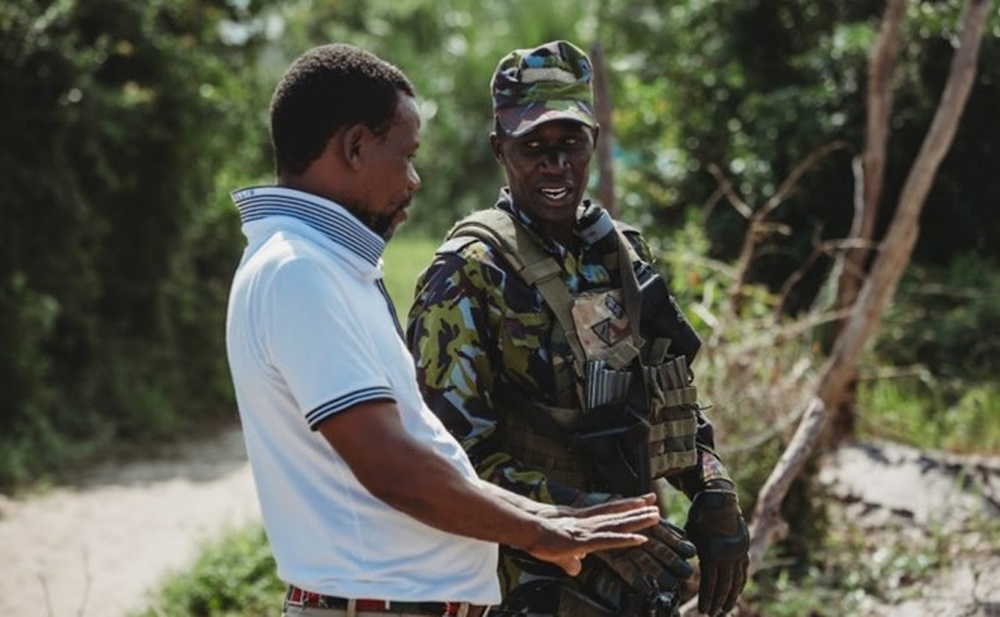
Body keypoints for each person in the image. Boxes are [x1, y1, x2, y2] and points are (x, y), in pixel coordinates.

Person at [225, 43, 665, 617]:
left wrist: (551, 517)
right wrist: (543, 532)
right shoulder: (299, 271)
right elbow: (393, 467)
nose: (414, 179)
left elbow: (417, 452)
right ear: (355, 147)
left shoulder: (321, 266)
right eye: (405, 155)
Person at [406, 40, 750, 617]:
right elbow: (447, 464)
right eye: (533, 147)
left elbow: (670, 396)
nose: (555, 164)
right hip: (524, 579)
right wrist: (586, 521)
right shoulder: (468, 273)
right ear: (499, 149)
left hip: (634, 569)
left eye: (570, 143)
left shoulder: (620, 252)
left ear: (594, 141)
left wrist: (714, 488)